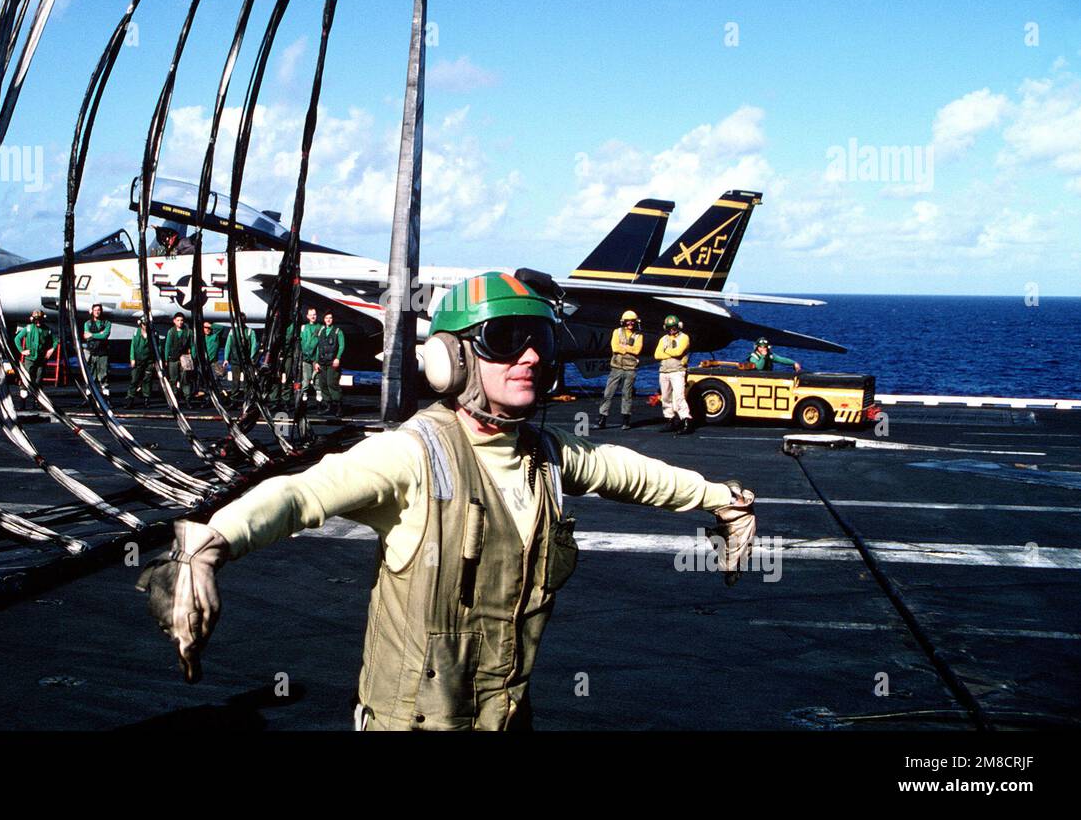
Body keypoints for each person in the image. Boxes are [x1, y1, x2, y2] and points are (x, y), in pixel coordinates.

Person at [139, 271, 756, 729]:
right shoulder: (412, 453)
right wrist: (212, 543)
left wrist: (718, 498)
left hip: (507, 717)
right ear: (451, 358)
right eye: (506, 339)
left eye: (540, 339)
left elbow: (624, 471)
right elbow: (302, 492)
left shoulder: (543, 454)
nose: (532, 356)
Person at [598, 310, 643, 431]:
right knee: (608, 393)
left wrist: (623, 347)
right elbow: (615, 347)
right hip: (616, 367)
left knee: (627, 395)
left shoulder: (639, 335)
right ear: (624, 322)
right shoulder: (616, 332)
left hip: (630, 369)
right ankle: (602, 418)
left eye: (632, 321)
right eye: (628, 321)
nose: (630, 323)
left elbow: (637, 350)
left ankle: (626, 420)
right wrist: (628, 349)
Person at [655, 314, 693, 435]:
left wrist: (665, 351)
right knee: (665, 397)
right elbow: (657, 355)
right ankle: (670, 420)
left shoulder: (684, 338)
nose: (672, 329)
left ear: (679, 326)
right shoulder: (663, 339)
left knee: (679, 397)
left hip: (678, 371)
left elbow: (678, 352)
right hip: (664, 372)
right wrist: (670, 354)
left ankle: (686, 421)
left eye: (674, 326)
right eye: (670, 327)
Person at [13, 309, 55, 411]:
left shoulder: (47, 330)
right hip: (29, 359)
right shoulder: (28, 328)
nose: (38, 322)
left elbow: (55, 341)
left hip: (41, 360)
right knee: (25, 380)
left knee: (38, 381)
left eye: (40, 319)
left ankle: (37, 402)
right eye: (36, 319)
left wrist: (51, 349)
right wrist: (22, 351)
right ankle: (22, 403)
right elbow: (17, 339)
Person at [315, 310, 345, 416]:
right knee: (323, 384)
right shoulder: (320, 331)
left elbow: (341, 346)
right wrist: (316, 362)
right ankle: (328, 406)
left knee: (332, 383)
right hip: (322, 362)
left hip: (332, 362)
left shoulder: (337, 331)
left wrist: (338, 358)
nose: (328, 320)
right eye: (326, 318)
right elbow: (318, 347)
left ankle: (339, 407)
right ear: (324, 320)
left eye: (330, 318)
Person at [125, 316, 156, 409]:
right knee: (134, 380)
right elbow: (133, 346)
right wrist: (132, 358)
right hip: (138, 360)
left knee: (147, 380)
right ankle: (130, 399)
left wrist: (155, 361)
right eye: (144, 324)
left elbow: (157, 347)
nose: (145, 326)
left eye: (146, 324)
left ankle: (147, 400)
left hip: (149, 360)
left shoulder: (153, 333)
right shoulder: (136, 332)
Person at [82, 303, 111, 401]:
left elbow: (105, 336)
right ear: (92, 311)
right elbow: (86, 336)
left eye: (99, 310)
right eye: (95, 310)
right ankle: (88, 399)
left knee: (104, 376)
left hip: (103, 353)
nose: (97, 312)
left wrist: (92, 335)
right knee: (91, 376)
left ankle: (106, 399)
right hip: (92, 352)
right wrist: (99, 334)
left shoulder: (106, 323)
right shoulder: (87, 323)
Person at [164, 313, 194, 403]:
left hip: (185, 358)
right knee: (173, 379)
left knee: (185, 379)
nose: (180, 322)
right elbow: (167, 346)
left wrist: (193, 356)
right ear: (174, 321)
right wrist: (166, 359)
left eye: (181, 320)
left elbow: (192, 345)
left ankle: (187, 399)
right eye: (178, 320)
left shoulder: (189, 332)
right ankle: (174, 399)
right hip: (173, 358)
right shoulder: (171, 332)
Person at [222, 323, 258, 396]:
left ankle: (246, 396)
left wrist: (251, 358)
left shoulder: (250, 331)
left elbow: (253, 346)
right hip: (236, 360)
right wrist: (226, 359)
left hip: (246, 361)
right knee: (236, 381)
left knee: (246, 381)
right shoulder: (232, 331)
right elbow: (228, 345)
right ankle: (235, 396)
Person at [298, 306, 321, 412]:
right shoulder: (303, 328)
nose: (313, 316)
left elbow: (320, 345)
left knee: (317, 382)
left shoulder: (320, 328)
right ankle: (303, 406)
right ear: (307, 316)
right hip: (305, 359)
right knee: (305, 382)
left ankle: (319, 406)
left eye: (314, 314)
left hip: (315, 359)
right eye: (311, 314)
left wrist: (317, 360)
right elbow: (301, 342)